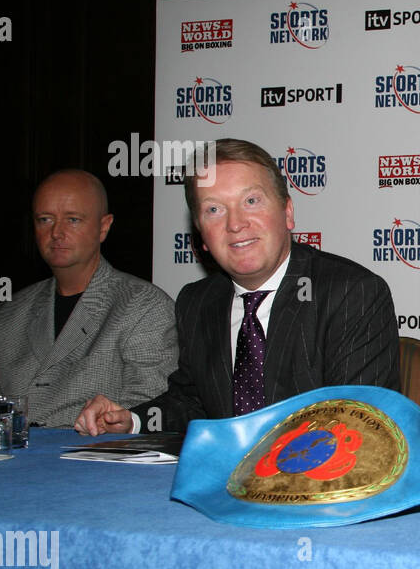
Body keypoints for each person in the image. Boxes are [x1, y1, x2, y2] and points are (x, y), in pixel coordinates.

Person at [74, 139, 399, 435]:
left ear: (287, 212)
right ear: (201, 234)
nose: (235, 224)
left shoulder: (351, 293)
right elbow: (194, 402)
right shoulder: (197, 302)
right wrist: (133, 420)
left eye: (252, 201)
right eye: (214, 209)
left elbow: (357, 424)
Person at [0, 169, 177, 428]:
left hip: (92, 460)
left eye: (73, 220)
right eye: (45, 219)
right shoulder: (7, 314)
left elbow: (147, 407)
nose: (57, 233)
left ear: (103, 227)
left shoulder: (143, 305)